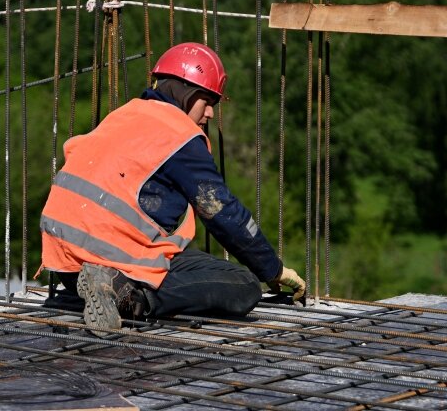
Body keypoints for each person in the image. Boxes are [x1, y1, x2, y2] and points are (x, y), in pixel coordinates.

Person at [41, 42, 305, 332]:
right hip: (111, 258)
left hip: (66, 264)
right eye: (207, 101)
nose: (211, 114)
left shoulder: (125, 115)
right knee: (242, 284)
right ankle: (128, 295)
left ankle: (106, 288)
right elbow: (222, 212)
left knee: (199, 265)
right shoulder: (179, 135)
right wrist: (273, 269)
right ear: (185, 91)